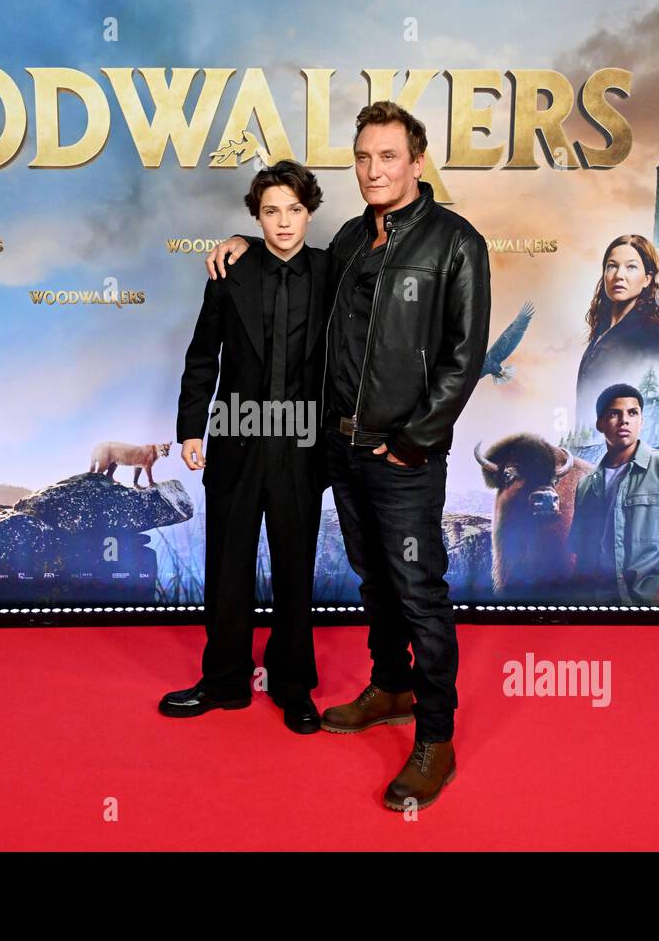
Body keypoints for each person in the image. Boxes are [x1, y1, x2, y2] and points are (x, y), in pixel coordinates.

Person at [205, 101, 491, 811]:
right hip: (342, 447)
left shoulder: (456, 243)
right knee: (373, 579)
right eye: (363, 158)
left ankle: (435, 738)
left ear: (416, 163)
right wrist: (245, 240)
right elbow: (289, 263)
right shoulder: (345, 241)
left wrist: (414, 441)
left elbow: (464, 357)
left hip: (404, 457)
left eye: (388, 157)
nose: (373, 170)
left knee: (418, 590)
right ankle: (389, 684)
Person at [161, 160, 329, 735]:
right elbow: (202, 353)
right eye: (271, 211)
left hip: (302, 442)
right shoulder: (229, 270)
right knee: (227, 566)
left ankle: (292, 686)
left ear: (310, 212)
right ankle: (225, 682)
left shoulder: (333, 273)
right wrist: (190, 428)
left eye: (295, 210)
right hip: (234, 435)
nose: (284, 222)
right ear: (256, 217)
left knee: (294, 570)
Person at [568, 385, 659, 605]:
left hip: (645, 600)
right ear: (600, 423)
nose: (624, 420)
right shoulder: (586, 485)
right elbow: (579, 551)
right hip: (595, 604)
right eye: (615, 413)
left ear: (641, 422)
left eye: (632, 413)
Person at [575, 235, 659, 430]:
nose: (619, 275)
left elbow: (648, 397)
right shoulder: (603, 329)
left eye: (631, 267)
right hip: (588, 438)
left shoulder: (649, 333)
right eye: (612, 266)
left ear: (647, 279)